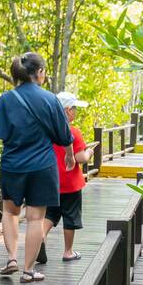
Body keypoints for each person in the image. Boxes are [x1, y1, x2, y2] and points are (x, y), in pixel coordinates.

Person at [0, 52, 73, 282]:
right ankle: (27, 270)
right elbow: (64, 135)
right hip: (42, 165)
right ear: (40, 72)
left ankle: (12, 258)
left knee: (10, 212)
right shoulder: (50, 99)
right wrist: (69, 156)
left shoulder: (6, 99)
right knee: (35, 218)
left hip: (12, 164)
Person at [39, 92, 95, 263]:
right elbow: (80, 158)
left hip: (50, 182)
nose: (76, 112)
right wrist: (90, 152)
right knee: (70, 217)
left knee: (50, 215)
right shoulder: (73, 132)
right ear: (68, 110)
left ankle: (41, 237)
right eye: (75, 109)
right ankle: (68, 251)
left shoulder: (46, 131)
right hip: (71, 184)